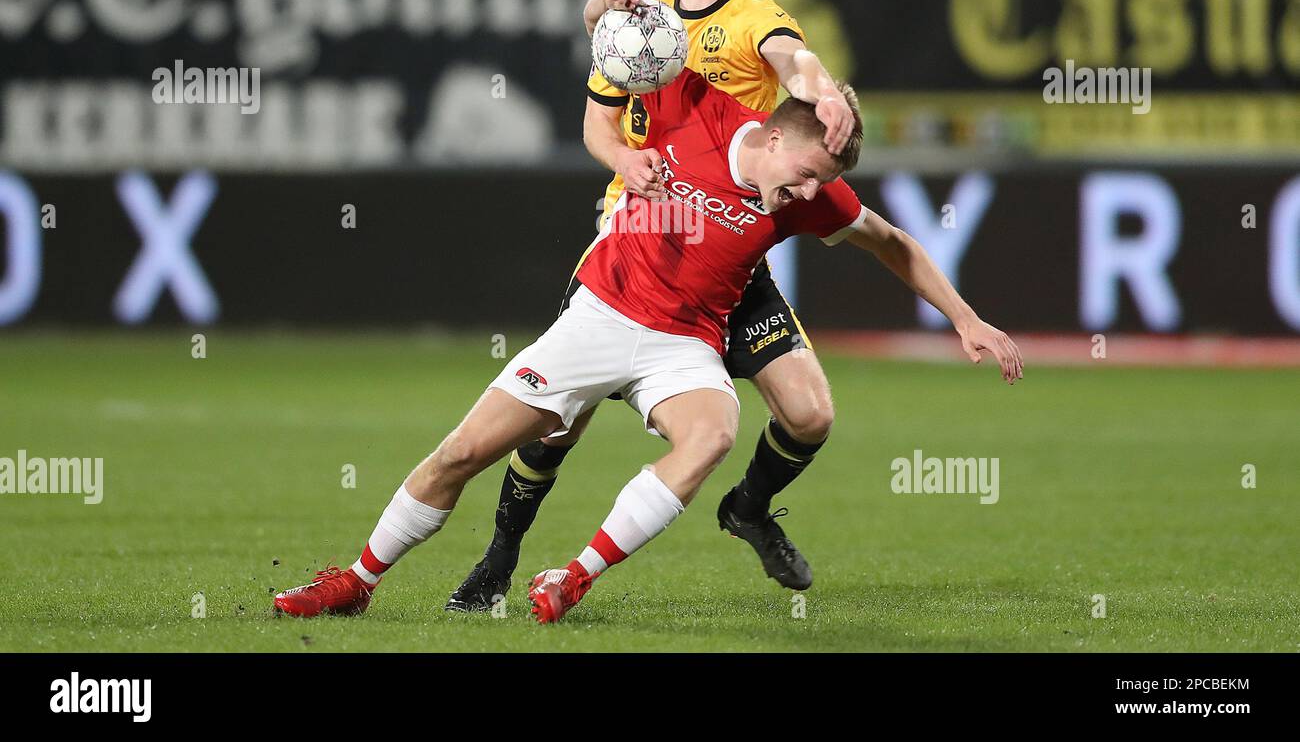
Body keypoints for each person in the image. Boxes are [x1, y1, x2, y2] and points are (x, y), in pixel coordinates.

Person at [273, 63, 1023, 624]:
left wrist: (965, 318)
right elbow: (609, 66)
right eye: (798, 178)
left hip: (684, 344)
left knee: (714, 433)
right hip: (600, 315)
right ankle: (359, 583)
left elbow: (889, 241)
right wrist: (608, 10)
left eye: (814, 186)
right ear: (767, 137)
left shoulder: (808, 192)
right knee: (464, 453)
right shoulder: (691, 101)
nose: (802, 198)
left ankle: (573, 577)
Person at [447, 0, 862, 610]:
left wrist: (824, 92)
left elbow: (793, 61)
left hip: (728, 242)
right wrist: (597, 19)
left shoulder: (760, 17)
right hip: (640, 230)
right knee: (555, 423)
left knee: (809, 413)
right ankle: (501, 553)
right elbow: (600, 105)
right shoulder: (648, 8)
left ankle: (748, 510)